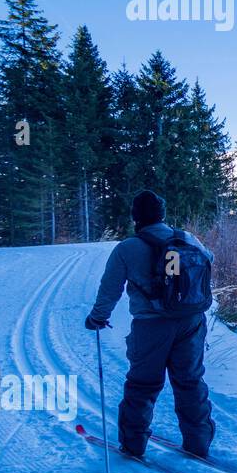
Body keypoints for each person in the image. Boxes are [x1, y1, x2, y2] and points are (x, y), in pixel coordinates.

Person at [84, 190, 216, 458]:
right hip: (191, 321)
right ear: (162, 214)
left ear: (136, 217)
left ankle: (133, 445)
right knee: (190, 382)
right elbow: (208, 260)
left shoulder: (127, 248)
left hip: (152, 325)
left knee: (142, 385)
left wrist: (98, 317)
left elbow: (110, 289)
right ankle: (198, 443)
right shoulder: (187, 238)